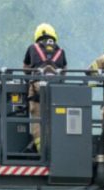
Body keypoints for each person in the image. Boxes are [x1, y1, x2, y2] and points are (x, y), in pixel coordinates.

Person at [22, 23, 67, 152]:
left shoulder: (32, 48)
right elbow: (64, 72)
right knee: (57, 119)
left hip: (38, 90)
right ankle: (59, 149)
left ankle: (43, 151)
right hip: (57, 91)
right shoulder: (60, 51)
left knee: (37, 120)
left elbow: (25, 69)